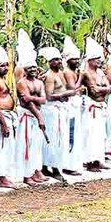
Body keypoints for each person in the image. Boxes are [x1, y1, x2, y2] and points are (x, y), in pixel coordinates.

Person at [14, 45, 47, 184]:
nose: (33, 70)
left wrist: (32, 98)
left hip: (37, 114)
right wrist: (39, 116)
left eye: (34, 68)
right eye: (30, 68)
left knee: (36, 145)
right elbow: (27, 103)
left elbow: (43, 99)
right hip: (27, 115)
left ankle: (35, 170)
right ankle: (27, 175)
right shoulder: (21, 82)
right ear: (25, 70)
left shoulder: (39, 83)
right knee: (26, 144)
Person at [40, 47, 73, 180]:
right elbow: (49, 96)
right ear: (49, 62)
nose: (58, 61)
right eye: (54, 60)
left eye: (59, 59)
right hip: (51, 111)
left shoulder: (62, 73)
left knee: (61, 139)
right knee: (53, 139)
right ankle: (50, 168)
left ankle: (54, 166)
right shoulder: (49, 76)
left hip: (61, 109)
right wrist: (66, 94)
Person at [78, 37, 110, 172]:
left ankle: (98, 159)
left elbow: (108, 88)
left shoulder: (101, 73)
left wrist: (100, 89)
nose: (99, 60)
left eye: (100, 58)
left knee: (100, 134)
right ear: (90, 60)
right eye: (96, 58)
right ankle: (90, 161)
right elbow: (83, 88)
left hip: (101, 105)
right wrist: (92, 89)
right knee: (91, 134)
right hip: (91, 107)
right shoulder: (84, 73)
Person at [0, 47, 18, 188]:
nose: (5, 67)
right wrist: (3, 123)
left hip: (8, 116)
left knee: (7, 147)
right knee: (1, 147)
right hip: (2, 118)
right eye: (2, 65)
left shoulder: (1, 79)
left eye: (7, 64)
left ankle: (2, 174)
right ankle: (0, 176)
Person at [60, 37, 85, 174]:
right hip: (70, 106)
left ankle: (73, 164)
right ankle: (68, 165)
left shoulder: (73, 72)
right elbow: (73, 89)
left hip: (75, 106)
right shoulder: (68, 72)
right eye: (74, 59)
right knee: (71, 135)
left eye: (77, 59)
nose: (76, 61)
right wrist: (81, 77)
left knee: (75, 134)